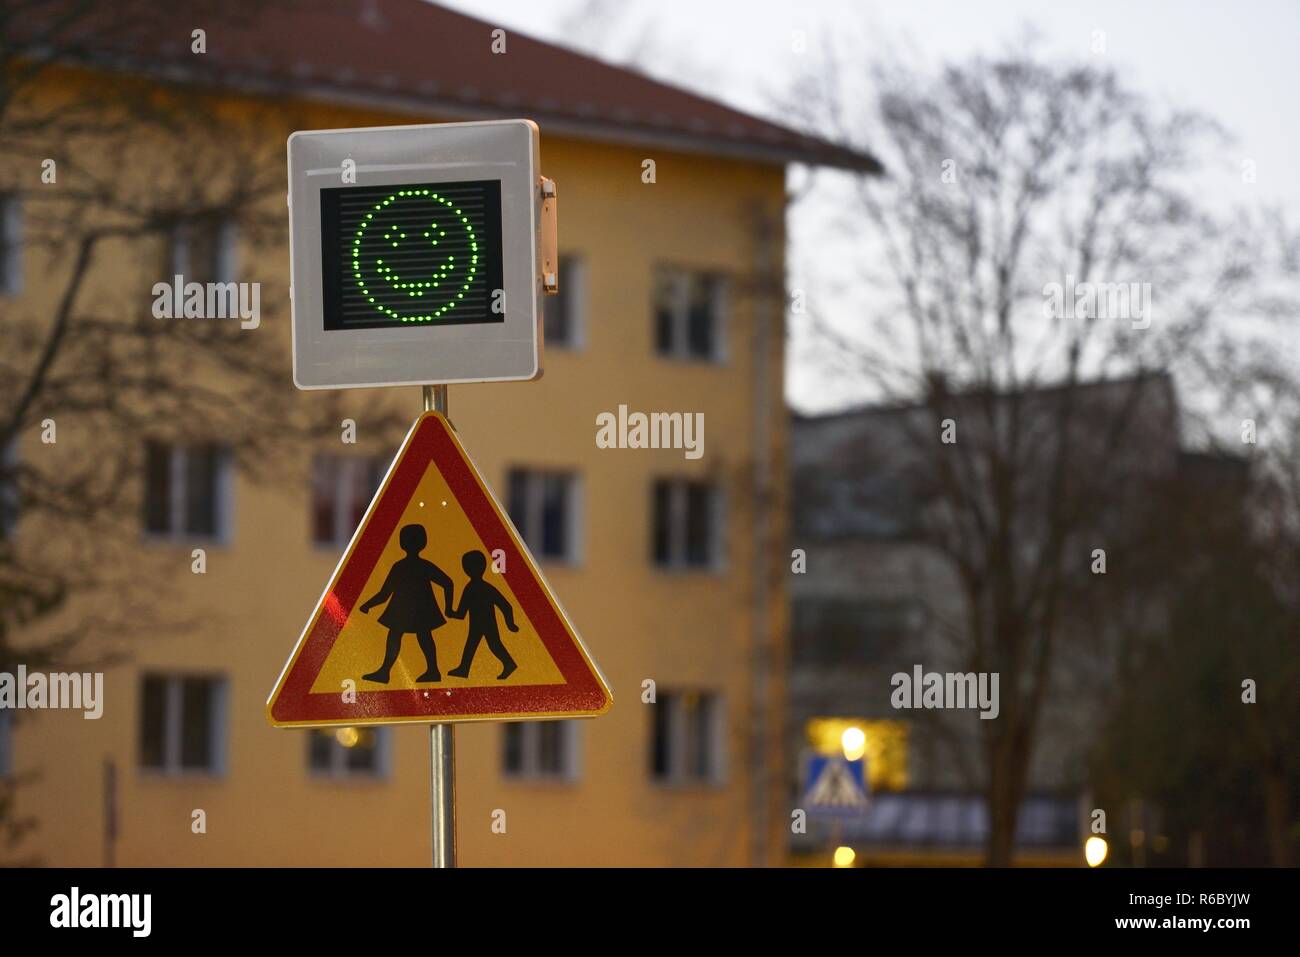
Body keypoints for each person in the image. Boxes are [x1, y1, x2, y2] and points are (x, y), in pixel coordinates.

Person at [358, 524, 454, 683]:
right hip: (413, 610)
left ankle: (428, 671)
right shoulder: (420, 566)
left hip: (406, 610)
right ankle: (427, 670)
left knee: (401, 636)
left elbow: (384, 594)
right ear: (424, 542)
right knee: (420, 636)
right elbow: (448, 583)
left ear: (402, 543)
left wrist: (368, 605)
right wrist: (448, 607)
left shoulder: (400, 566)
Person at [446, 549, 519, 680]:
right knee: (474, 645)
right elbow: (462, 613)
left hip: (486, 624)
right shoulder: (480, 587)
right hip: (478, 624)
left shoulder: (474, 588)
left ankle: (509, 664)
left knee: (493, 645)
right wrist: (510, 623)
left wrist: (510, 624)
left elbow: (505, 605)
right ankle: (464, 668)